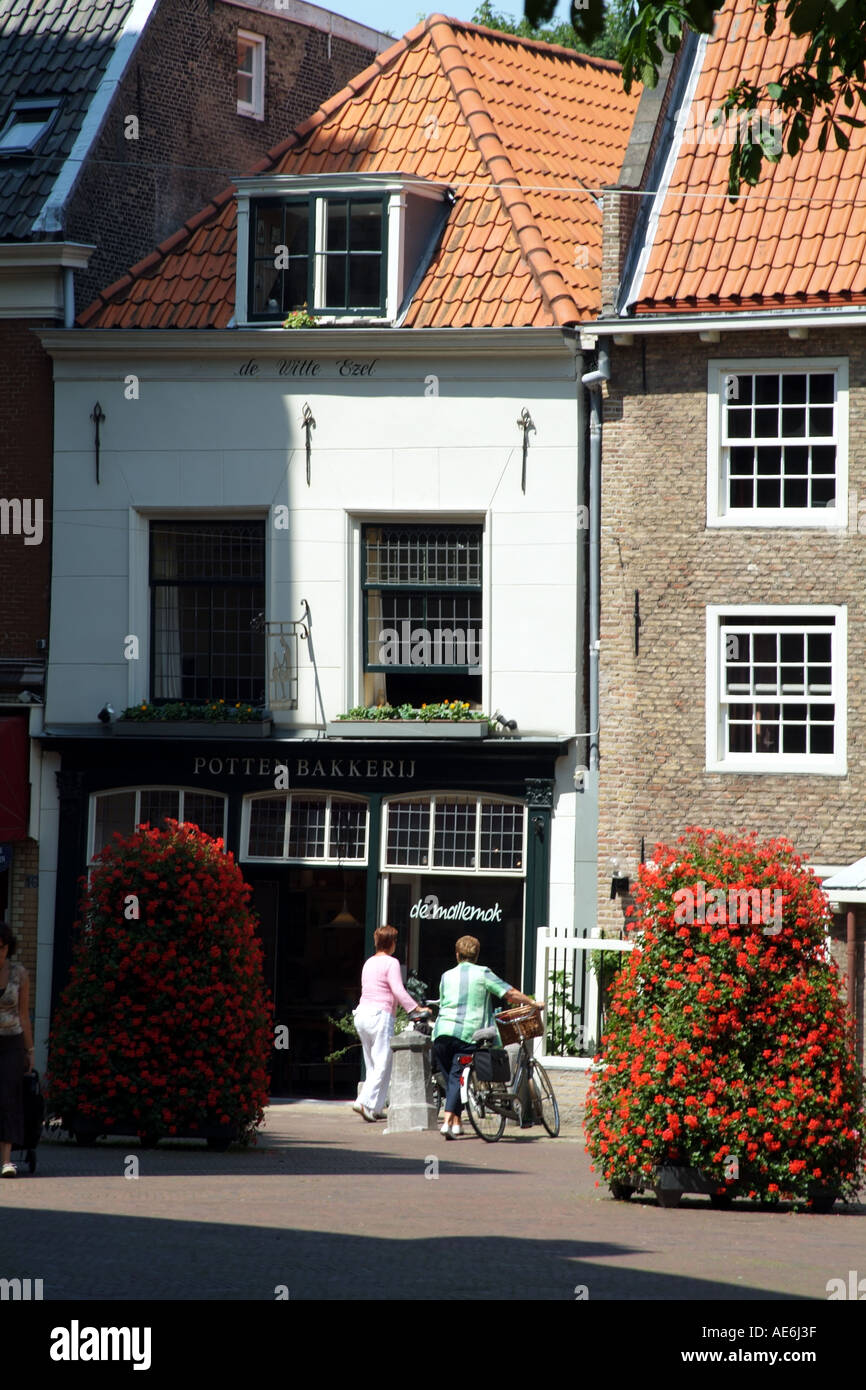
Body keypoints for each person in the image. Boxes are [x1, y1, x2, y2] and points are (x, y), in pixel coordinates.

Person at [433, 934, 541, 1139]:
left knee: (451, 1079)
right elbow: (509, 994)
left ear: (457, 955)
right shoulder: (483, 973)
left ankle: (457, 1123)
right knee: (457, 1077)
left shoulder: (446, 976)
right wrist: (532, 1003)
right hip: (467, 1036)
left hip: (441, 1035)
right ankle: (448, 1120)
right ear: (477, 955)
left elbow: (442, 1001)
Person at [352, 925, 430, 1122]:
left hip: (362, 1014)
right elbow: (397, 989)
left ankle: (375, 1107)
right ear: (392, 943)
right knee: (384, 1061)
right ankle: (363, 1102)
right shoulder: (392, 962)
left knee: (373, 1063)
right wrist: (415, 1008)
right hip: (381, 1014)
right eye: (396, 941)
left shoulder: (369, 962)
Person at [0, 922, 34, 1178]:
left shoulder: (19, 974)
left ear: (8, 947)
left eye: (1, 948)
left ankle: (7, 1160)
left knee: (9, 1096)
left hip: (11, 1042)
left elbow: (23, 1014)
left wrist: (29, 1050)